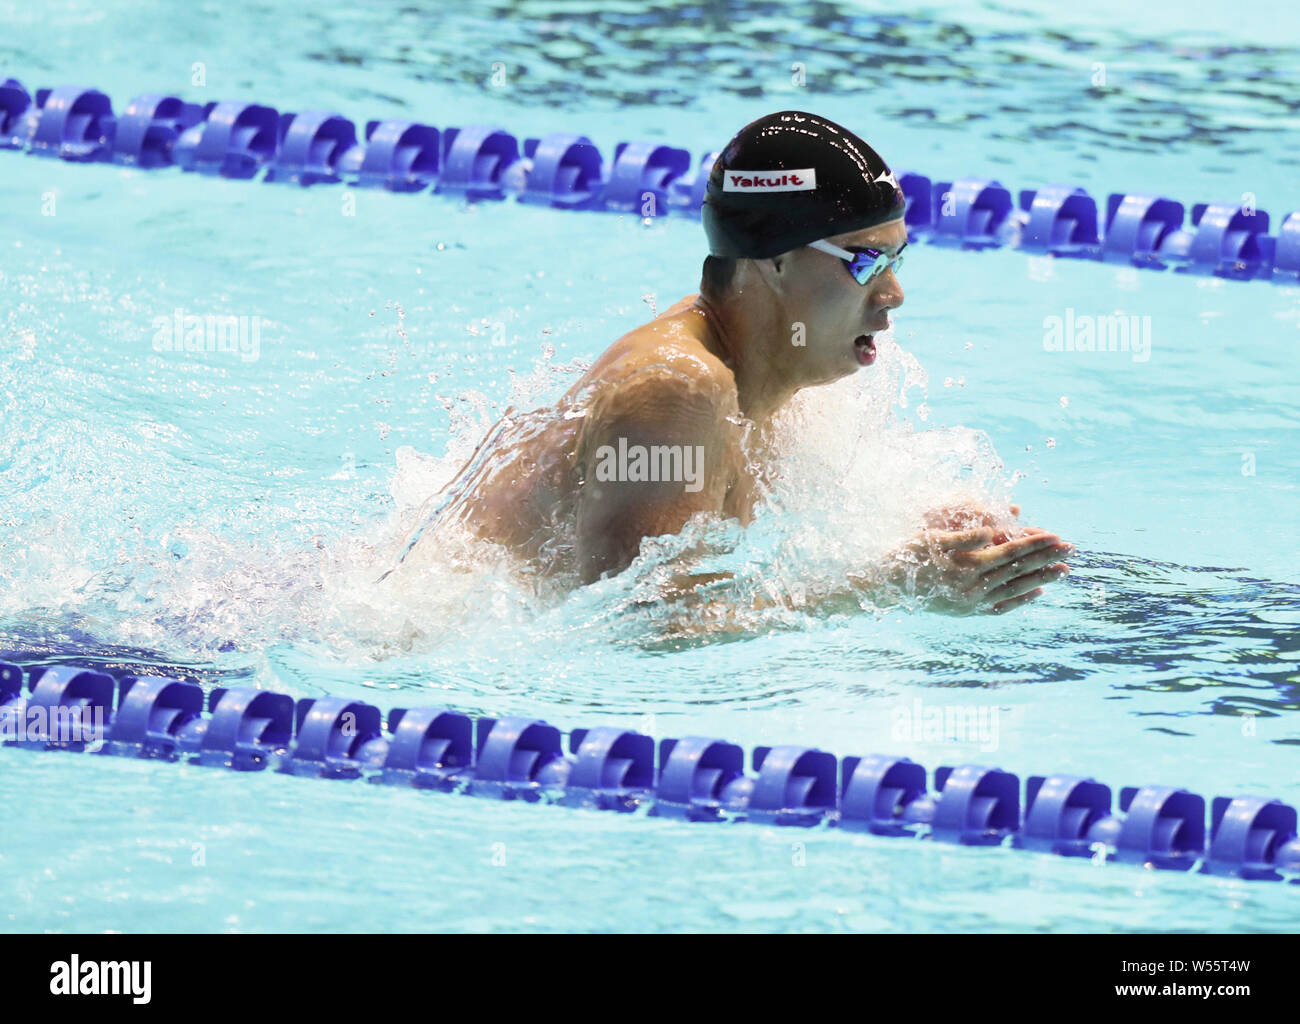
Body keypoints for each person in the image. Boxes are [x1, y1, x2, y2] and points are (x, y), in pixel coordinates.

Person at [395, 110, 1072, 615]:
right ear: (774, 261)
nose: (894, 295)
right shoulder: (675, 389)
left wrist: (916, 539)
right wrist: (897, 586)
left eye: (897, 260)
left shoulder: (778, 372)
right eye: (867, 262)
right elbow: (631, 630)